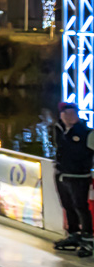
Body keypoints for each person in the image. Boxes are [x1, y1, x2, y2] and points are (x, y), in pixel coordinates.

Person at [51, 101, 94, 256]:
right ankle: (73, 234)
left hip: (79, 176)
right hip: (62, 174)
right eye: (67, 113)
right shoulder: (59, 129)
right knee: (67, 205)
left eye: (73, 113)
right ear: (61, 115)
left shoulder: (87, 132)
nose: (70, 117)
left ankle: (88, 239)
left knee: (81, 207)